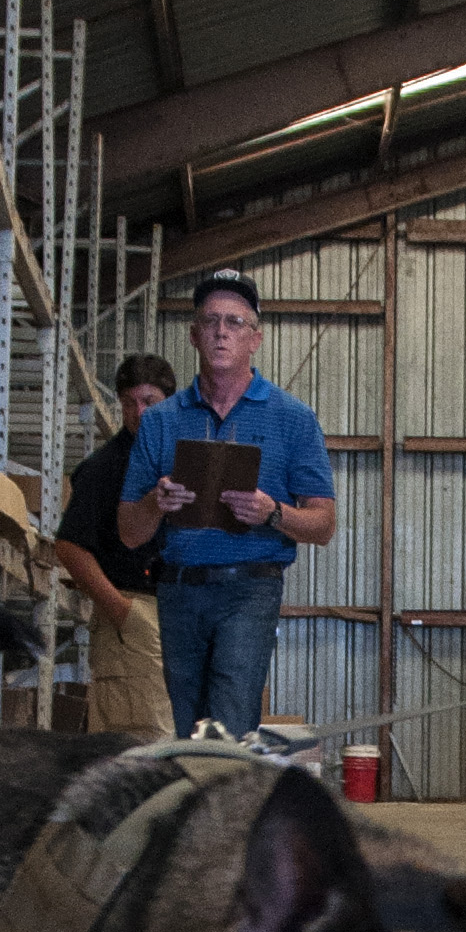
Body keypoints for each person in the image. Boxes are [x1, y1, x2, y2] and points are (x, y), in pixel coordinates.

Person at [117, 267, 337, 739]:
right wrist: (156, 502)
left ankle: (228, 808)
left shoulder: (293, 419)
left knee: (229, 724)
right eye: (211, 321)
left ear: (255, 338)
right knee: (187, 729)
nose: (222, 332)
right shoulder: (160, 422)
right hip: (177, 591)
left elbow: (323, 524)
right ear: (194, 335)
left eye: (235, 322)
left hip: (249, 590)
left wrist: (272, 513)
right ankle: (203, 810)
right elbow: (129, 531)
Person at [53, 353, 178, 737]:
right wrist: (123, 612)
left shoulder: (184, 458)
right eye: (129, 403)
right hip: (135, 609)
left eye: (149, 401)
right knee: (139, 744)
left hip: (183, 609)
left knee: (181, 743)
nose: (138, 412)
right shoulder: (104, 468)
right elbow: (70, 547)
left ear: (170, 402)